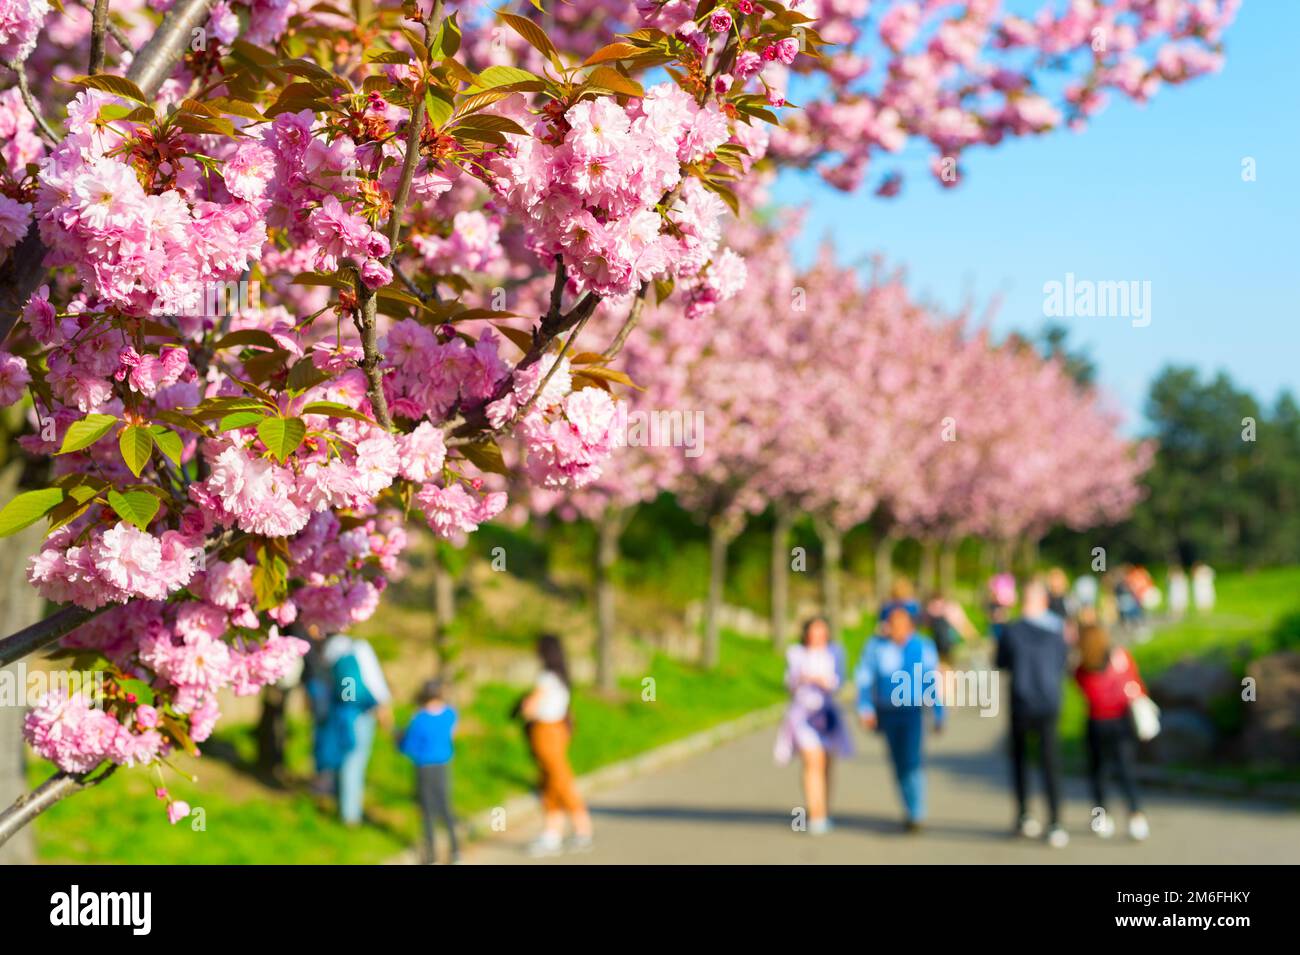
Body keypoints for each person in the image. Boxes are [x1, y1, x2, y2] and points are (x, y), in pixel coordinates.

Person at [855, 606, 944, 832]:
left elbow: (931, 681)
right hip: (887, 711)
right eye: (892, 624)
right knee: (898, 761)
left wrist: (938, 712)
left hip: (912, 711)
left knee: (912, 759)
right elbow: (865, 678)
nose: (896, 629)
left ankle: (917, 812)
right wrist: (865, 708)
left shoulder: (922, 646)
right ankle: (908, 806)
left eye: (901, 624)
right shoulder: (876, 647)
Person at [995, 579, 1069, 847]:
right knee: (1050, 762)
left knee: (1021, 761)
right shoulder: (1058, 630)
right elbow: (1064, 662)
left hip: (1021, 702)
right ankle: (1056, 822)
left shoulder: (1012, 631)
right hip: (1049, 702)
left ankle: (1024, 815)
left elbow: (1001, 662)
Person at [774, 617, 853, 835]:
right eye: (813, 632)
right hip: (803, 714)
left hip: (827, 715)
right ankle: (814, 814)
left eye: (821, 632)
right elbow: (788, 682)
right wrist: (802, 679)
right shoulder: (796, 653)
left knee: (827, 764)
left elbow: (840, 681)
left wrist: (824, 681)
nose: (817, 636)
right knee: (812, 761)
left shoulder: (835, 652)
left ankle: (824, 808)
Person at [1075, 625, 1150, 842]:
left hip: (1097, 722)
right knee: (1126, 770)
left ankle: (1102, 817)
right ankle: (1136, 816)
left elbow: (1082, 688)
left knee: (1098, 771)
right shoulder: (1120, 658)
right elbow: (1136, 682)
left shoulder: (1083, 667)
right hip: (1121, 720)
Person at [520, 634, 592, 856]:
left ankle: (582, 829)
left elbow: (529, 708)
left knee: (560, 779)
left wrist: (523, 705)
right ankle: (553, 833)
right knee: (549, 782)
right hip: (559, 729)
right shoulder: (561, 677)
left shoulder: (546, 678)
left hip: (546, 731)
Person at [321, 631, 392, 826]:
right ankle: (350, 815)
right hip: (360, 712)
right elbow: (373, 678)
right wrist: (383, 706)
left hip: (341, 712)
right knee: (355, 760)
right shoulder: (358, 648)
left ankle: (340, 803)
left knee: (342, 757)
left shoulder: (329, 653)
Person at [399, 679, 460, 864]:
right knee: (445, 806)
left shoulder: (419, 718)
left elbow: (409, 745)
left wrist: (398, 741)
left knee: (427, 810)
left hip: (424, 767)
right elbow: (452, 733)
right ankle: (456, 850)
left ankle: (432, 855)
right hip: (443, 764)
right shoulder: (450, 714)